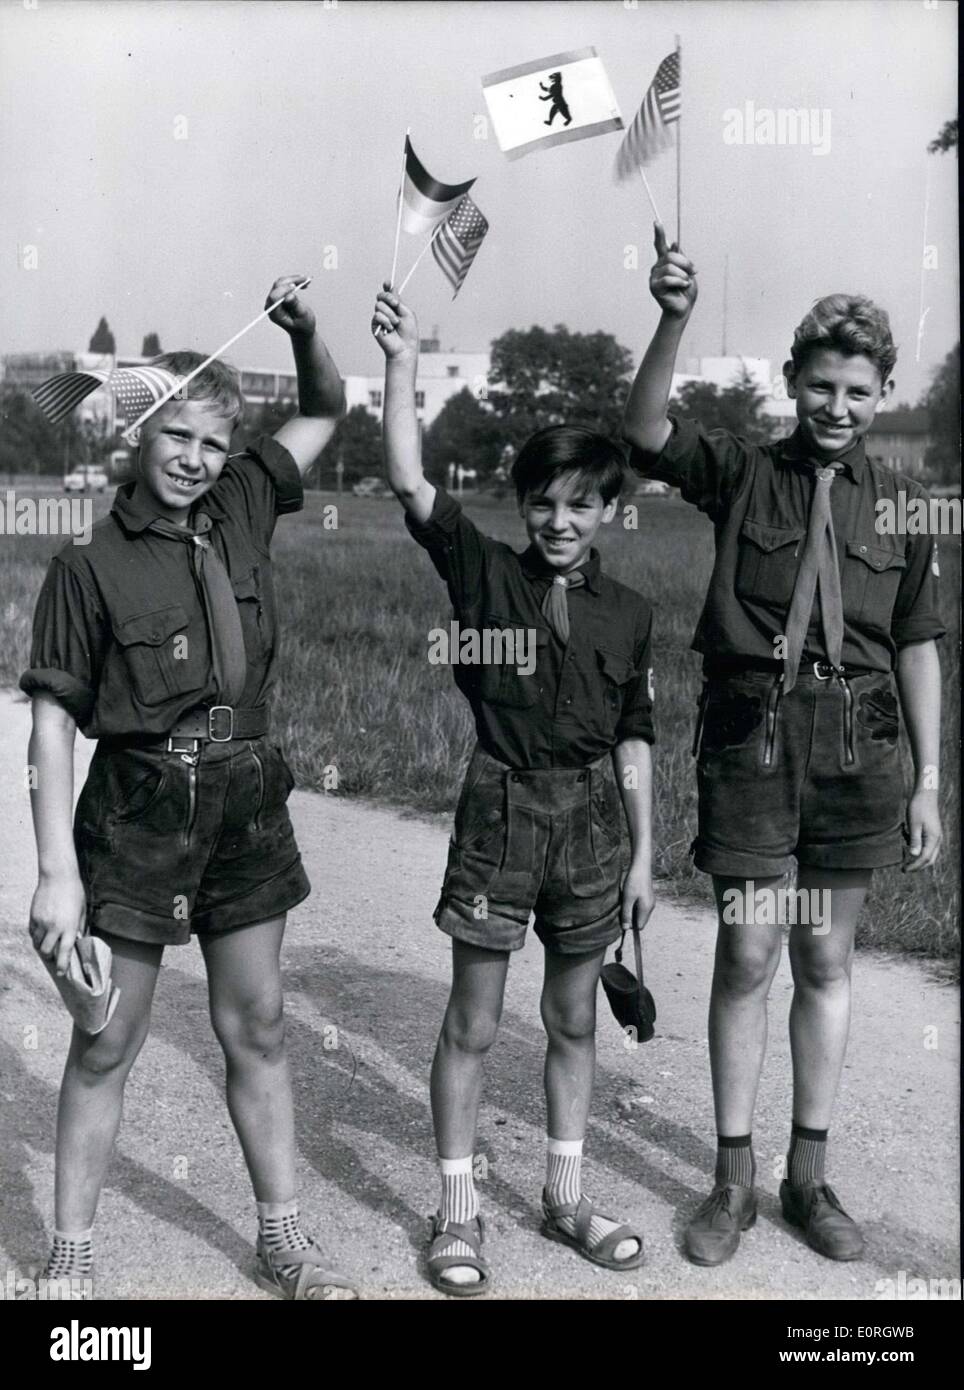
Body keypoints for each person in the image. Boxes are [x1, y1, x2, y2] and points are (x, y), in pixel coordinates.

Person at [23, 277, 358, 1300]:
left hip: (248, 797)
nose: (194, 461)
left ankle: (283, 1240)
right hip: (140, 809)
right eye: (177, 437)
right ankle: (71, 1255)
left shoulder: (245, 500)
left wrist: (306, 333)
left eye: (212, 444)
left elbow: (324, 408)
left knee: (256, 1024)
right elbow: (49, 722)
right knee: (107, 1035)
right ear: (140, 434)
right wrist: (55, 878)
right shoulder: (88, 566)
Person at [622, 225, 945, 1266]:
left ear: (881, 389)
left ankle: (810, 1178)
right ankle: (731, 1180)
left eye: (857, 390)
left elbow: (917, 645)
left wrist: (931, 780)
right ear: (790, 381)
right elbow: (644, 430)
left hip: (860, 746)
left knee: (824, 953)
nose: (837, 407)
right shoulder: (742, 472)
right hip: (753, 737)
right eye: (819, 386)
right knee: (751, 951)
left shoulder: (902, 500)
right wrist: (672, 315)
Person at [372, 284, 655, 1296]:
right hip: (502, 813)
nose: (559, 519)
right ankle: (457, 1213)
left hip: (592, 826)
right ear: (520, 503)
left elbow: (634, 735)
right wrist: (403, 358)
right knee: (473, 1023)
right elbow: (407, 479)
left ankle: (565, 1196)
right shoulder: (483, 572)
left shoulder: (629, 611)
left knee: (574, 1020)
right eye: (542, 500)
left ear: (611, 509)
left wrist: (644, 856)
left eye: (581, 502)